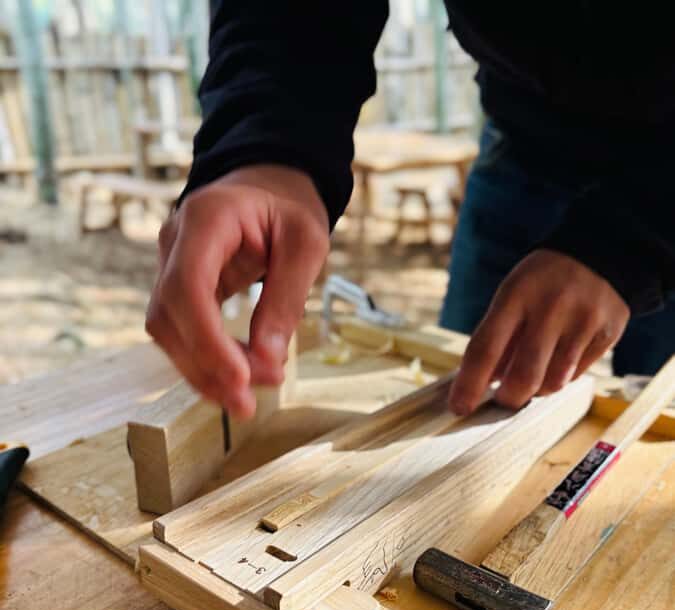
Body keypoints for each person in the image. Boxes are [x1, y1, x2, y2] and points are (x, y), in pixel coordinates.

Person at [146, 4, 675, 420]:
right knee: (467, 388)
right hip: (522, 132)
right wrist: (266, 146)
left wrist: (634, 242)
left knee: (652, 424)